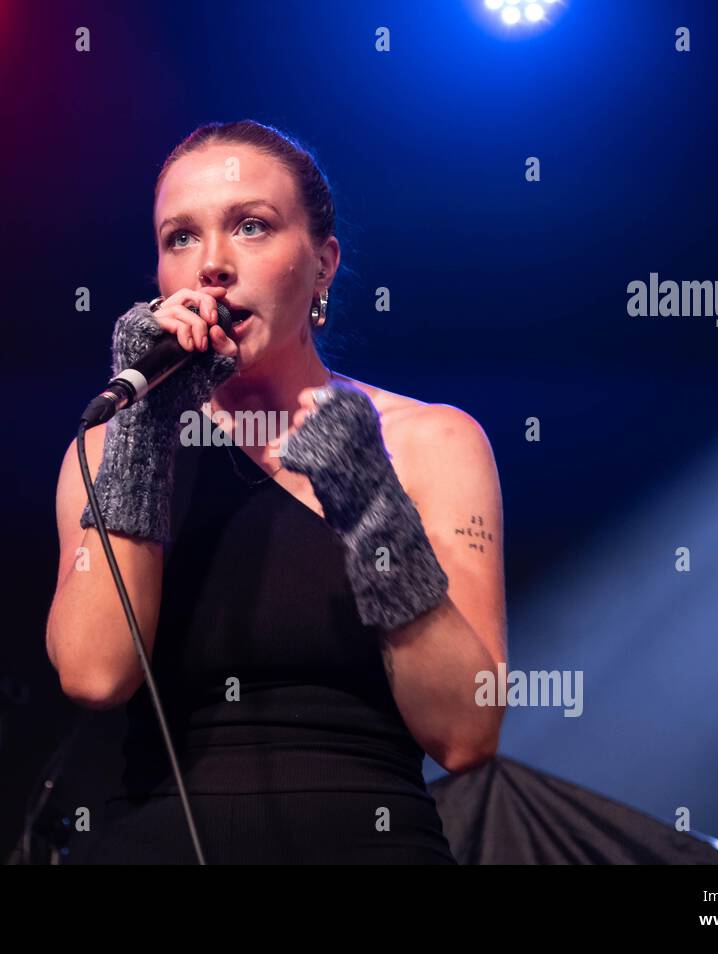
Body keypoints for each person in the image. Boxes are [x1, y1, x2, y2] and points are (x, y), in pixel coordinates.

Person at [45, 120, 508, 864]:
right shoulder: (110, 441)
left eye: (252, 226)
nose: (213, 267)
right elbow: (95, 673)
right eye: (181, 239)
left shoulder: (429, 440)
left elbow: (464, 732)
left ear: (323, 265)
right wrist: (146, 431)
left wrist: (367, 499)